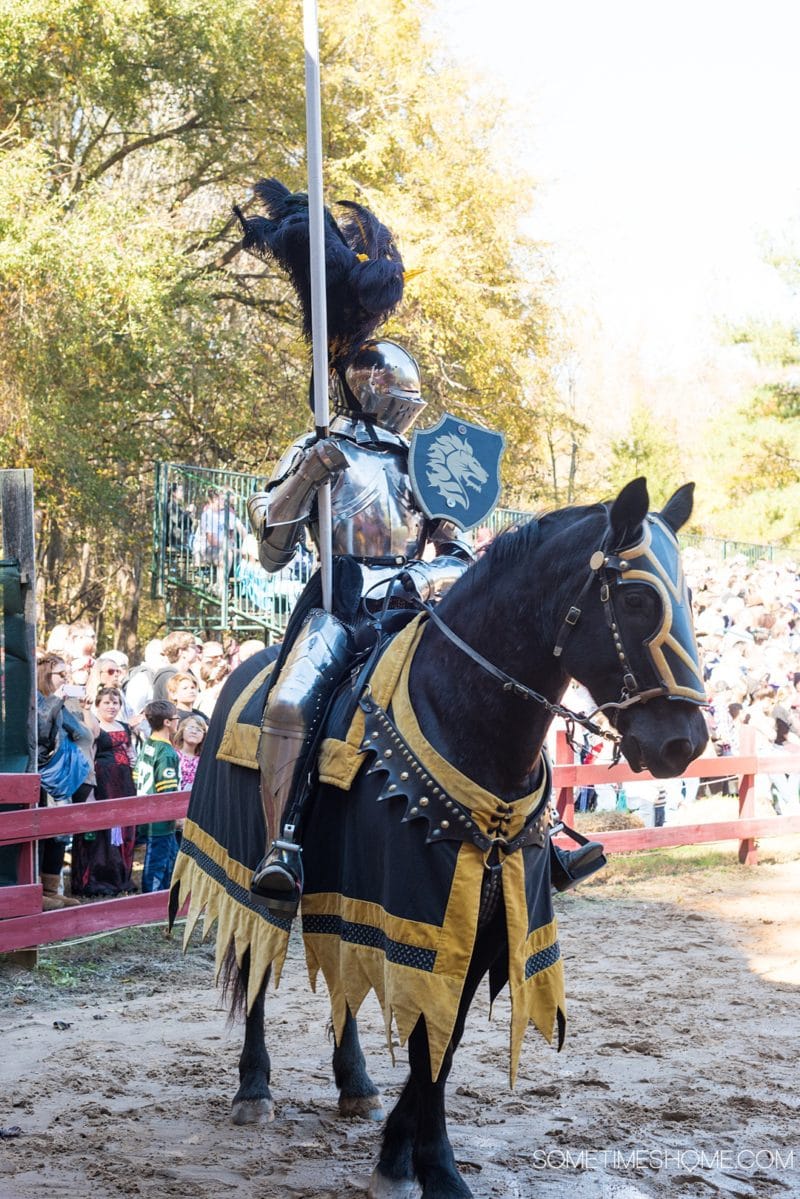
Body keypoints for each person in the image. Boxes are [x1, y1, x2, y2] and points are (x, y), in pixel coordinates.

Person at [236, 180, 475, 914]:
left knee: (496, 688)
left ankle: (536, 832)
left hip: (407, 611)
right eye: (387, 380)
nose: (400, 394)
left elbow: (454, 553)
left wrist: (433, 568)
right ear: (357, 381)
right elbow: (272, 550)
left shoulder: (425, 461)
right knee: (288, 702)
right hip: (338, 608)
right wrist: (308, 473)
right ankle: (283, 844)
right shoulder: (321, 443)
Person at [35, 654, 92, 909]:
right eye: (61, 675)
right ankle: (38, 891)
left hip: (57, 777)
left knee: (58, 833)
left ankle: (50, 889)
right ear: (46, 675)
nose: (65, 680)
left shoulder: (57, 702)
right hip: (42, 775)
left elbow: (84, 733)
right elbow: (44, 732)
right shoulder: (40, 701)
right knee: (41, 833)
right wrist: (58, 701)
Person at [70, 685, 137, 897]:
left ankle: (120, 875)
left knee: (123, 827)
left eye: (115, 702)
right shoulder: (95, 724)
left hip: (124, 781)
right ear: (99, 705)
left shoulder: (125, 726)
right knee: (103, 829)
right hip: (103, 781)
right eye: (107, 702)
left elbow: (130, 750)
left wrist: (132, 758)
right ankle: (98, 877)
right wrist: (88, 711)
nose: (111, 706)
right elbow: (93, 738)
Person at [135, 701, 182, 893]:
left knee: (170, 857)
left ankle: (165, 896)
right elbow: (167, 792)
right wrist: (177, 815)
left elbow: (136, 775)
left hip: (146, 809)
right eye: (176, 718)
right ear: (167, 722)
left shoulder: (148, 744)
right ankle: (151, 899)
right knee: (157, 862)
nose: (179, 721)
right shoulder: (167, 752)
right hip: (161, 818)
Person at [174, 716, 207, 791]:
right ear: (182, 732)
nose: (194, 732)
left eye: (198, 730)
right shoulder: (173, 755)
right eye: (190, 728)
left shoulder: (204, 761)